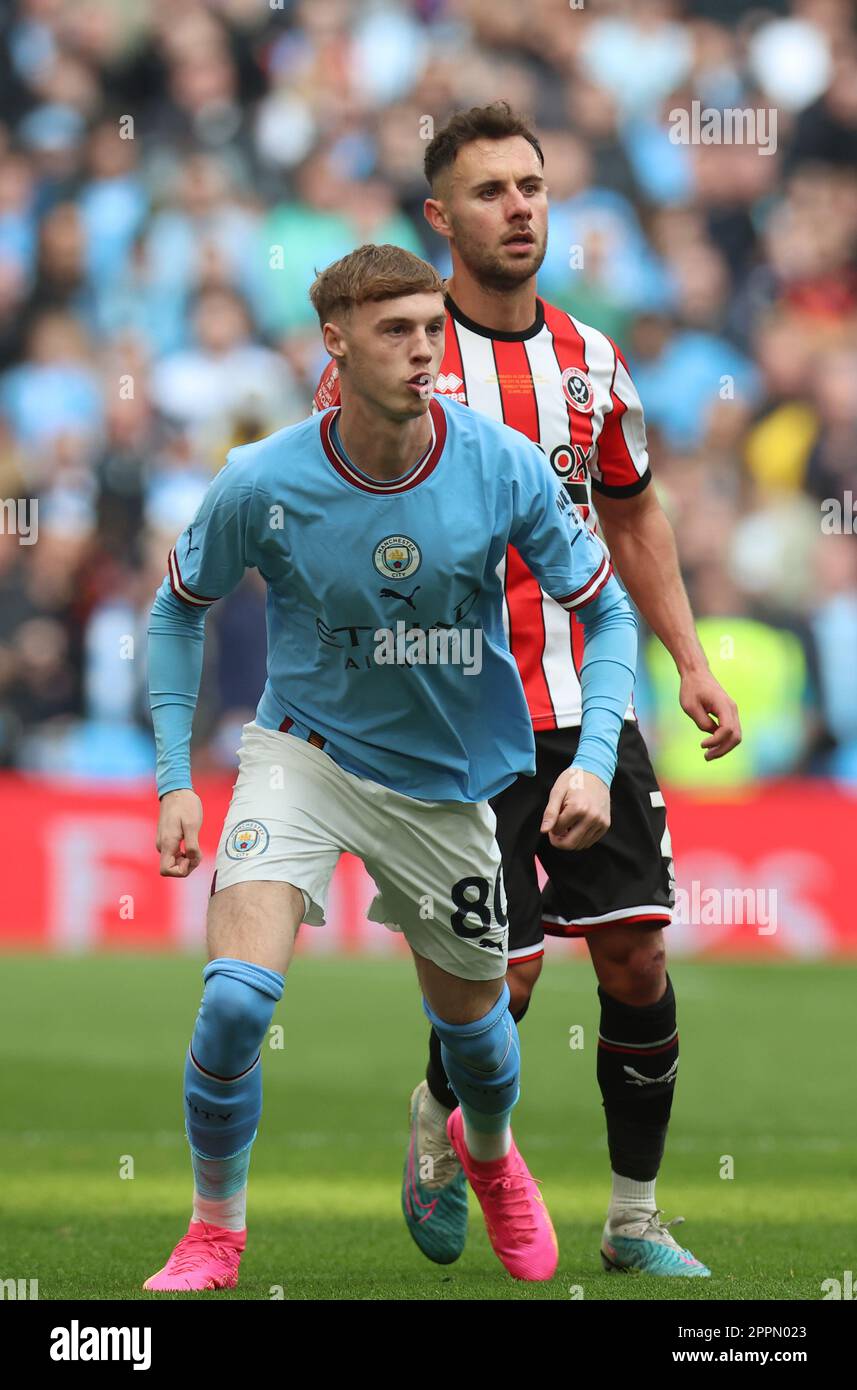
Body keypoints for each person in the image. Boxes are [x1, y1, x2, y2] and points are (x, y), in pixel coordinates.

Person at [144, 243, 638, 1290]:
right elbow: (175, 608)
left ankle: (489, 1155)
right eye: (394, 331)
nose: (422, 350)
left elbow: (604, 609)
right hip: (301, 757)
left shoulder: (498, 463)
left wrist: (592, 759)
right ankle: (213, 1232)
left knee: (478, 1043)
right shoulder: (260, 479)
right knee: (234, 1002)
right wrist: (174, 776)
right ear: (335, 341)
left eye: (429, 328)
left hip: (446, 782)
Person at [315, 104, 742, 1277]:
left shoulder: (592, 360)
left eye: (532, 186)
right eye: (491, 190)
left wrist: (687, 655)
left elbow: (632, 508)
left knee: (635, 959)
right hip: (451, 717)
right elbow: (328, 513)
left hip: (588, 705)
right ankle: (444, 1133)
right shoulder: (395, 354)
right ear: (437, 217)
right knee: (502, 975)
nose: (518, 208)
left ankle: (634, 1217)